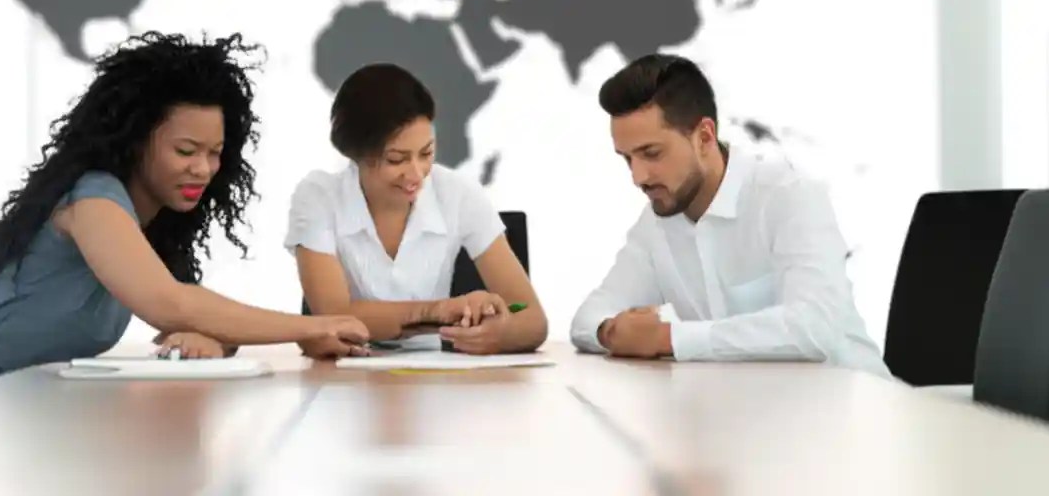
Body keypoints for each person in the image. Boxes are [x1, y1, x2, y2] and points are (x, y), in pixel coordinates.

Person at [0, 32, 369, 386]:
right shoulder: (93, 200)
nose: (203, 169)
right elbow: (173, 304)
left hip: (8, 416)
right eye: (185, 150)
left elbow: (192, 314)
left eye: (214, 152)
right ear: (134, 140)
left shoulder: (147, 227)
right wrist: (315, 325)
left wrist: (204, 337)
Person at [570, 54, 889, 376]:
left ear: (704, 137)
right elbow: (587, 318)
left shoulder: (788, 195)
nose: (638, 177)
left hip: (851, 407)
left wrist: (667, 338)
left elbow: (814, 329)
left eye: (652, 154)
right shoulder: (656, 220)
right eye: (627, 159)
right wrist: (611, 333)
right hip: (747, 413)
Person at [286, 63, 547, 355]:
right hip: (343, 375)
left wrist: (503, 333)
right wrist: (437, 311)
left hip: (432, 374)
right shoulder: (318, 196)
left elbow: (532, 319)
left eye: (426, 154)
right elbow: (332, 318)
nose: (416, 174)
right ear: (356, 153)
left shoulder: (458, 193)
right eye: (397, 159)